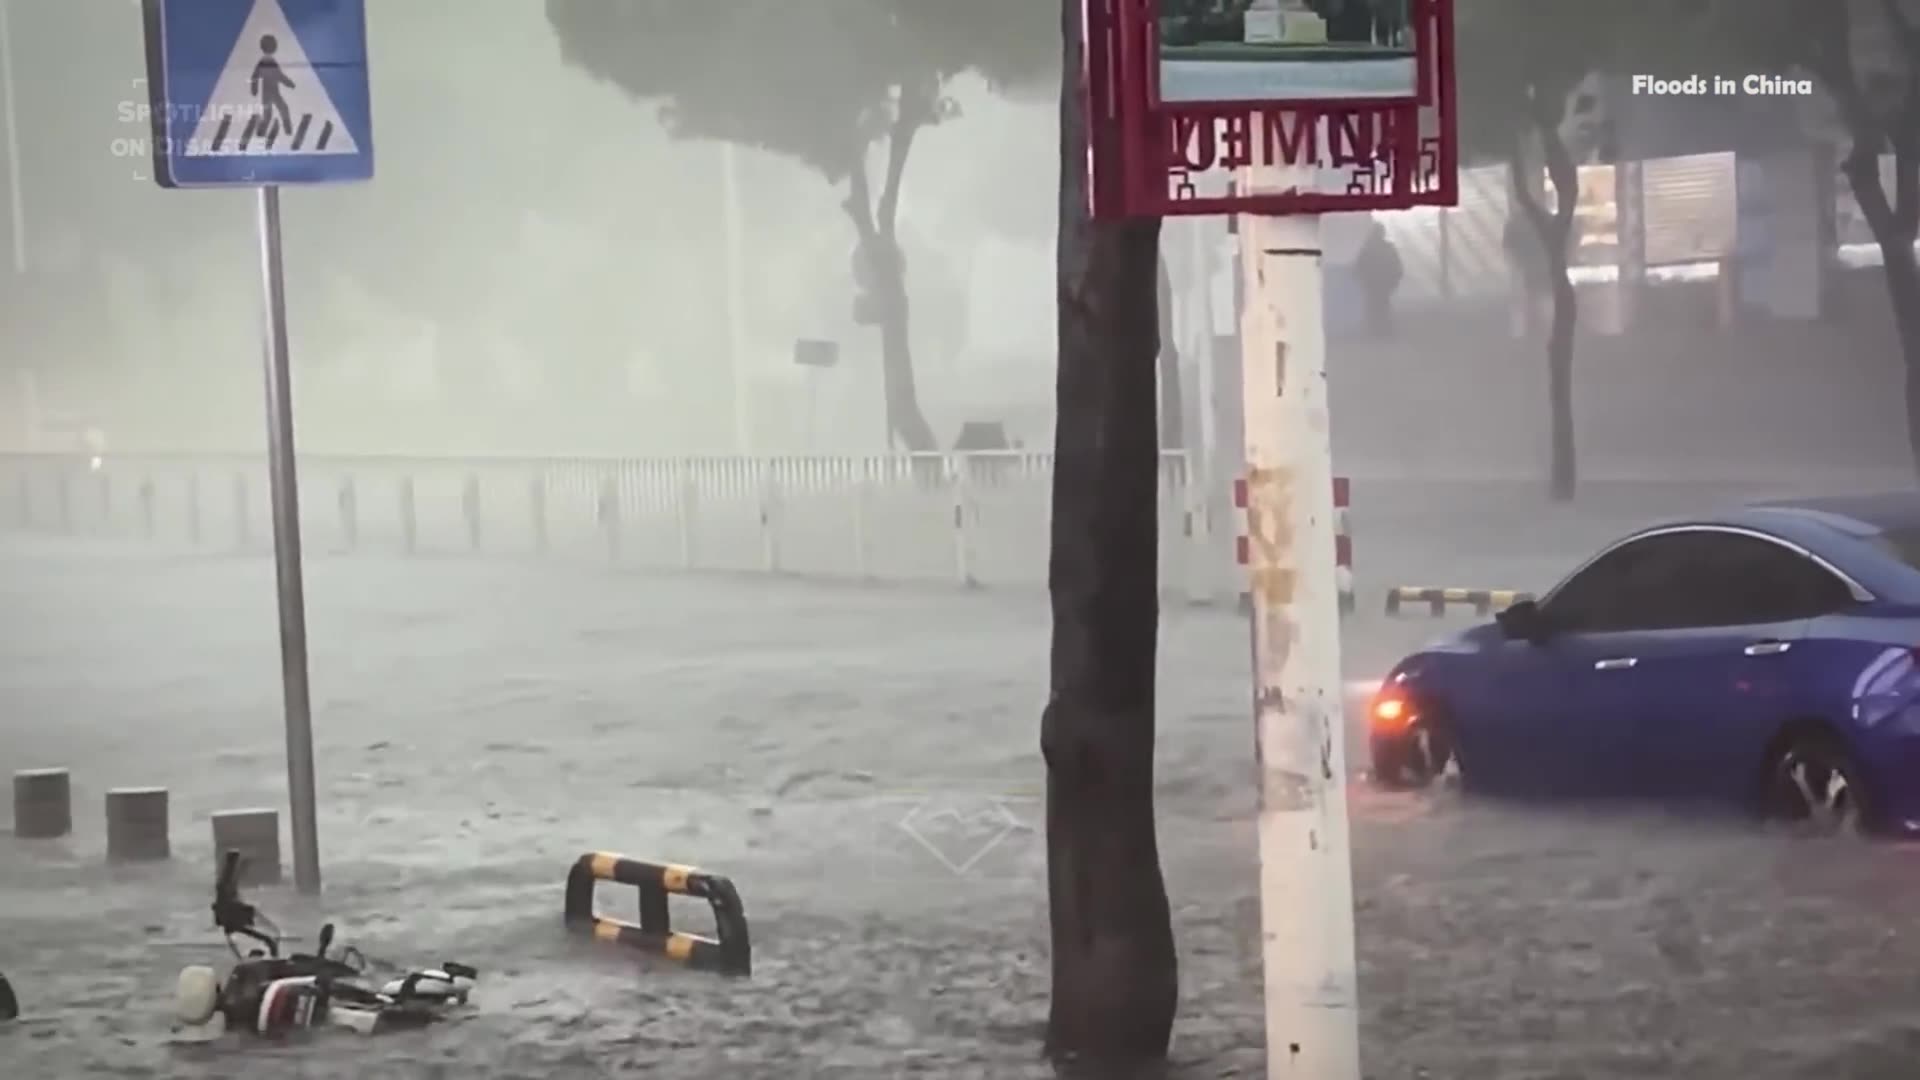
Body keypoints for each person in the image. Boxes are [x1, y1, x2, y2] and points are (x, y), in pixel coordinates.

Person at [1354, 221, 1403, 337]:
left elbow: (1359, 266)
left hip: (1374, 284)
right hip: (1382, 284)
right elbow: (1396, 266)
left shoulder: (1368, 248)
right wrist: (1394, 280)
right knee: (1382, 307)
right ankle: (1383, 332)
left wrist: (1362, 280)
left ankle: (1375, 332)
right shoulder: (1387, 248)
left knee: (1374, 308)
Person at [250, 34, 296, 136]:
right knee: (281, 109)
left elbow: (255, 76)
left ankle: (263, 132)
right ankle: (287, 130)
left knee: (273, 112)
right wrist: (289, 83)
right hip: (272, 92)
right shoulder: (268, 62)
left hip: (269, 93)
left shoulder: (264, 62)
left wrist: (254, 88)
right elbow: (279, 75)